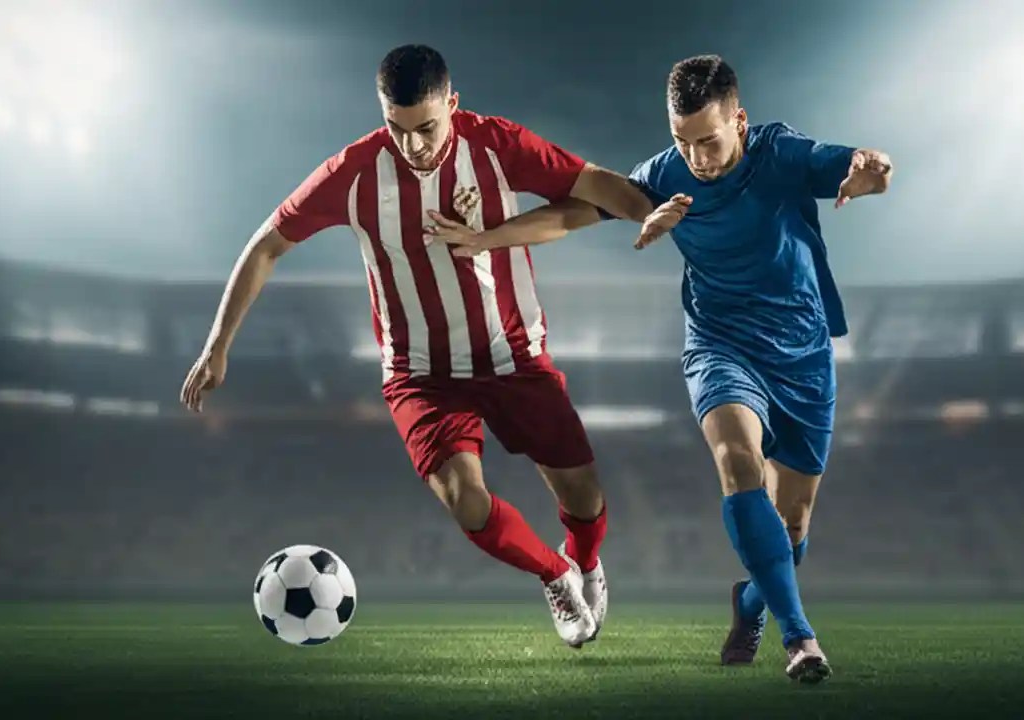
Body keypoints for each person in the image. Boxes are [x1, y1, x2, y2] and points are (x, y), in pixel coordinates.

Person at [433, 54, 893, 681]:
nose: (697, 158)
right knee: (736, 462)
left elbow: (864, 166)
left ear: (740, 120)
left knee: (793, 530)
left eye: (708, 140)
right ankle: (800, 640)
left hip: (802, 353)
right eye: (683, 140)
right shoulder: (665, 174)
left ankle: (752, 599)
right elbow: (573, 211)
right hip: (719, 345)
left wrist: (870, 175)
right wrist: (488, 238)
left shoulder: (781, 154)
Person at [179, 44, 652, 648]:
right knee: (466, 501)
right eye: (396, 130)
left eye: (427, 128)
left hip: (514, 358)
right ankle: (555, 574)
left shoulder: (497, 145)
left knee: (585, 497)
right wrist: (218, 345)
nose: (414, 145)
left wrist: (656, 212)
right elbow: (267, 244)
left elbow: (594, 186)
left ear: (453, 105)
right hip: (420, 373)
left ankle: (585, 559)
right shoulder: (352, 173)